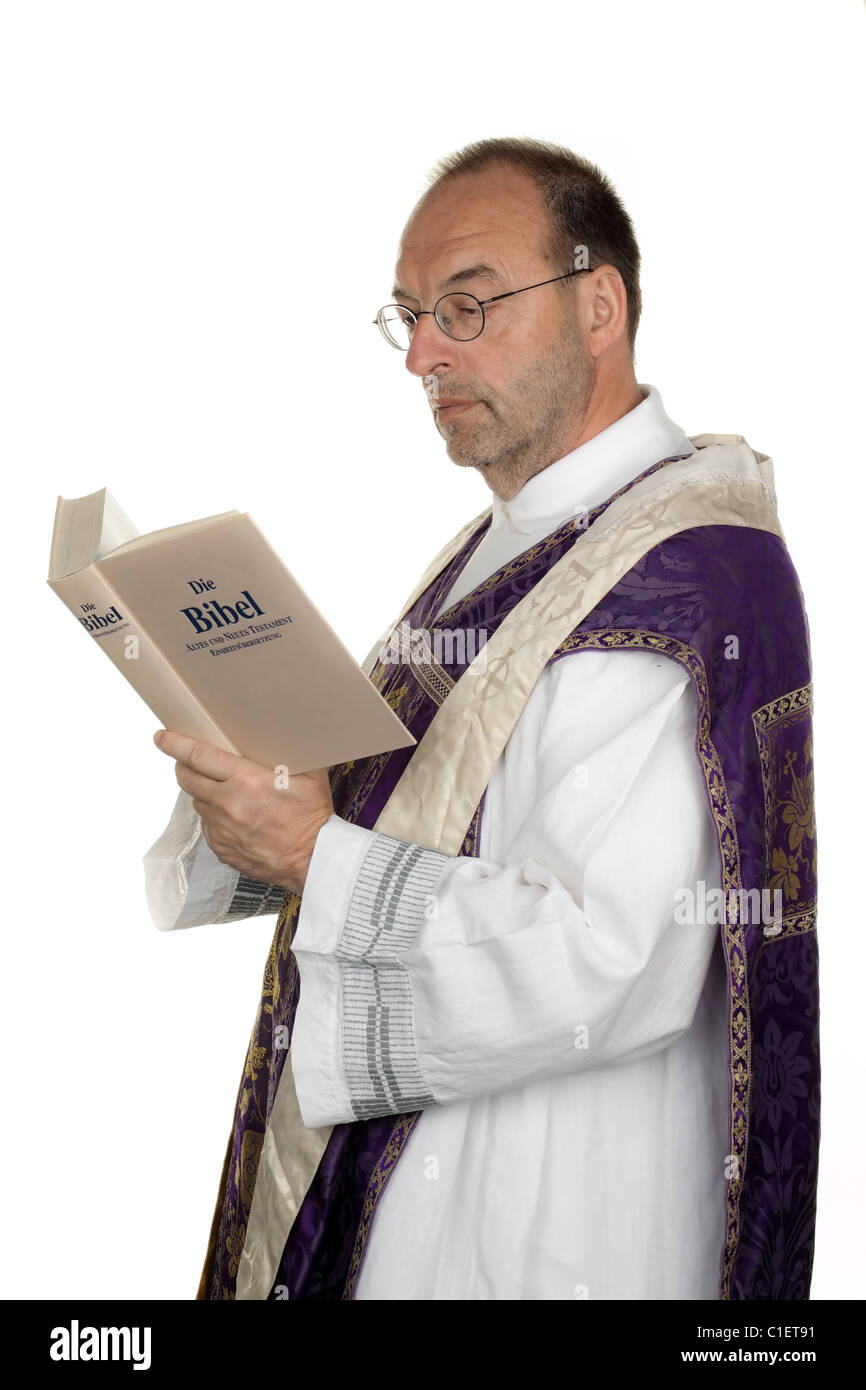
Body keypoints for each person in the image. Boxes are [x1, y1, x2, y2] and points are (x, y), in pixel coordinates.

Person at [146, 137, 819, 1301]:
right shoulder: (514, 541)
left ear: (596, 304)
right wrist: (250, 794)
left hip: (549, 1217)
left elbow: (610, 956)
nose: (420, 353)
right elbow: (399, 805)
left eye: (466, 306)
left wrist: (313, 853)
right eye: (408, 315)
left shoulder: (678, 576)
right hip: (422, 1182)